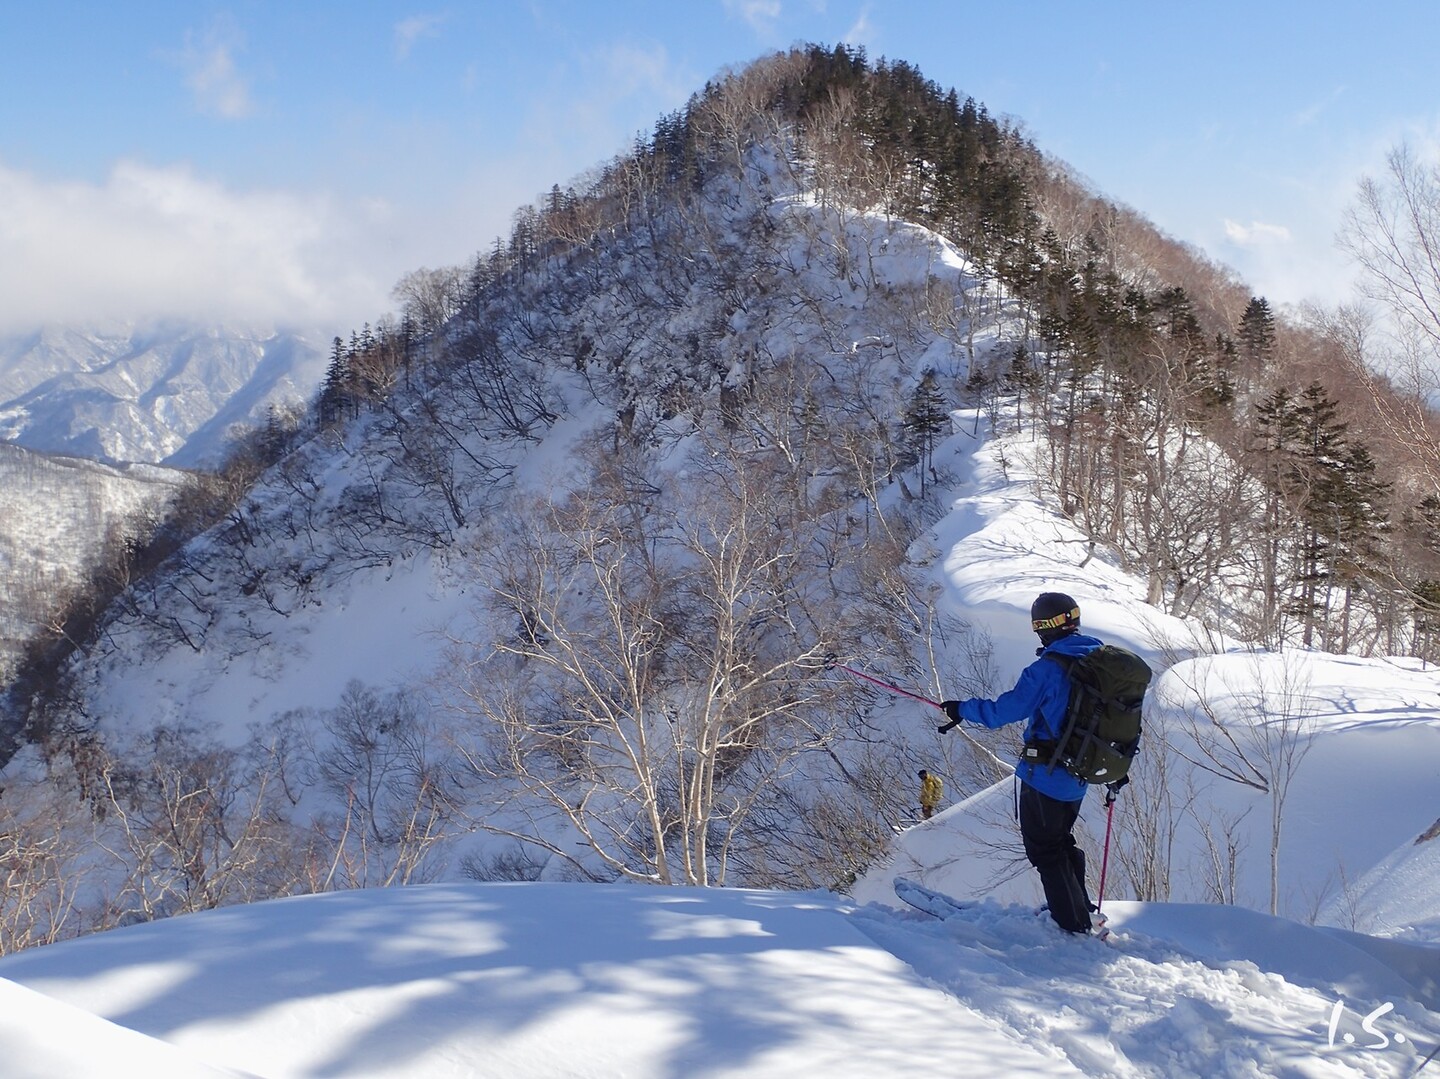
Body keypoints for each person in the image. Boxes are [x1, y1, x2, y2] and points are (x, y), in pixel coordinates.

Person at [937, 591, 1102, 935]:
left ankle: (1072, 924)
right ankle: (1079, 908)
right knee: (1060, 840)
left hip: (1048, 774)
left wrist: (961, 708)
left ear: (1043, 627)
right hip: (1083, 772)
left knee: (1044, 850)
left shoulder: (1047, 670)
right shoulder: (1101, 659)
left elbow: (1003, 712)